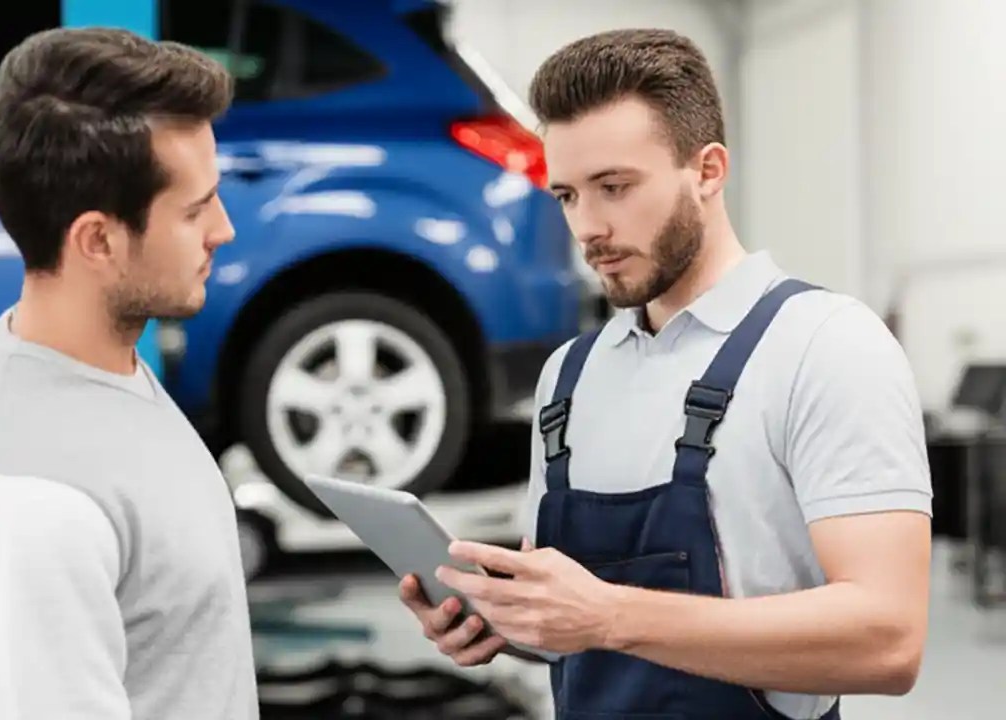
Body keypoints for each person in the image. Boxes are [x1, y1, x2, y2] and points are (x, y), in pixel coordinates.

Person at [399, 28, 932, 719]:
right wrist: (504, 622)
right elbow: (579, 629)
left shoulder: (826, 347)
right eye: (566, 196)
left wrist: (609, 615)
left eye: (614, 187)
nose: (587, 226)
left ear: (707, 171)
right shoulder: (569, 378)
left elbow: (888, 642)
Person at [0, 28, 256, 720]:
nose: (224, 229)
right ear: (97, 239)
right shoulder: (25, 507)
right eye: (194, 211)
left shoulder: (103, 374)